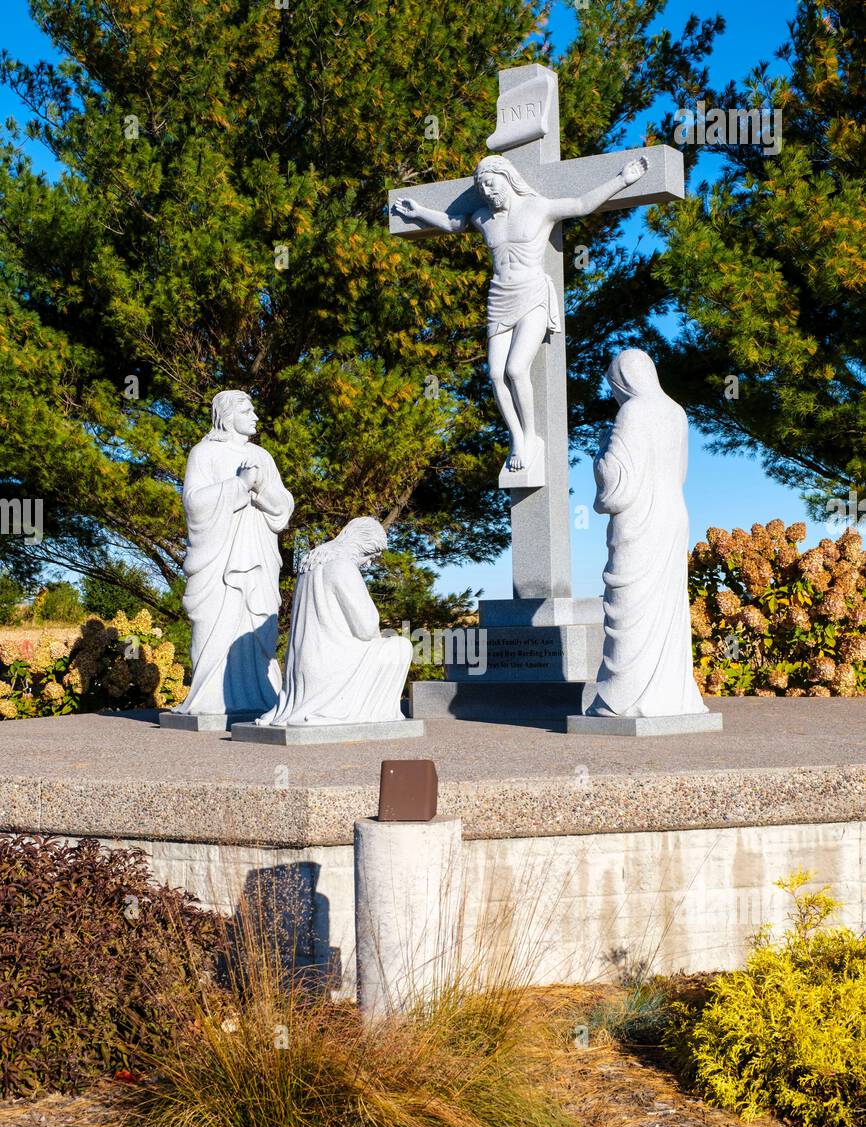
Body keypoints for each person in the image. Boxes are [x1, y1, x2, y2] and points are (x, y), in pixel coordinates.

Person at [392, 153, 648, 473]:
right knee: (495, 375)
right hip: (499, 297)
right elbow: (451, 223)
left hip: (532, 294)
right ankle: (517, 438)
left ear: (507, 177)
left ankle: (531, 436)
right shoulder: (482, 218)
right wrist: (419, 212)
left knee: (515, 369)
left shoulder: (538, 207)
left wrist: (623, 179)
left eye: (490, 182)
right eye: (480, 185)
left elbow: (582, 204)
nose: (486, 190)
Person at [587, 349, 708, 718]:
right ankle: (670, 697)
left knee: (630, 606)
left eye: (613, 385)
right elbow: (682, 472)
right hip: (673, 514)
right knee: (666, 607)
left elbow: (618, 485)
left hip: (640, 520)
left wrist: (600, 455)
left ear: (623, 380)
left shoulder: (633, 411)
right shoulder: (676, 412)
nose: (613, 394)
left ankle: (623, 698)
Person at [175, 390, 294, 718]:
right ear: (226, 415)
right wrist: (239, 485)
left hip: (258, 556)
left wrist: (261, 489)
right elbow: (194, 503)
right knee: (214, 623)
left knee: (257, 626)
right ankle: (209, 699)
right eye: (247, 409)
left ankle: (263, 697)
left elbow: (283, 507)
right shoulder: (204, 453)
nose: (255, 416)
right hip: (219, 559)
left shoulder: (263, 456)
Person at [258, 517, 412, 726]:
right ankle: (366, 714)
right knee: (400, 646)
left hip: (302, 672)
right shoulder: (342, 566)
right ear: (361, 544)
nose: (368, 562)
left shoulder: (309, 565)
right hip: (330, 668)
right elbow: (366, 628)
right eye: (370, 555)